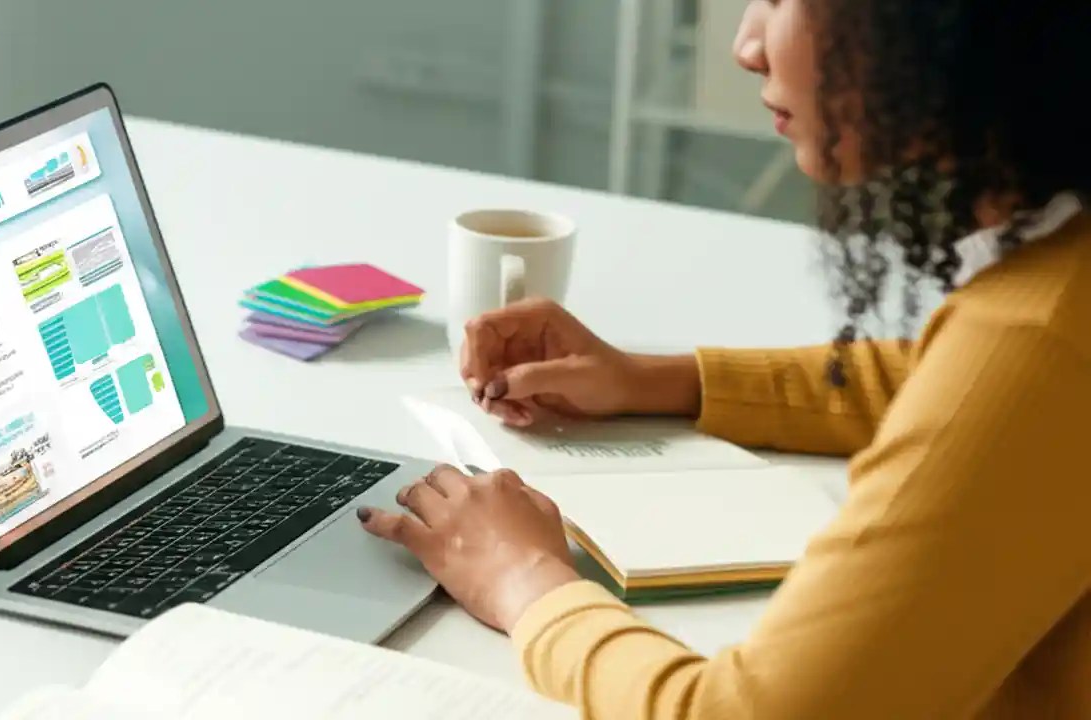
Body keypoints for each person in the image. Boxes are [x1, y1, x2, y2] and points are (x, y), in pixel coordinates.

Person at [357, 0, 1091, 717]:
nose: (747, 45)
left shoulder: (1039, 338)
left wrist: (524, 579)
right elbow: (951, 385)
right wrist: (653, 379)